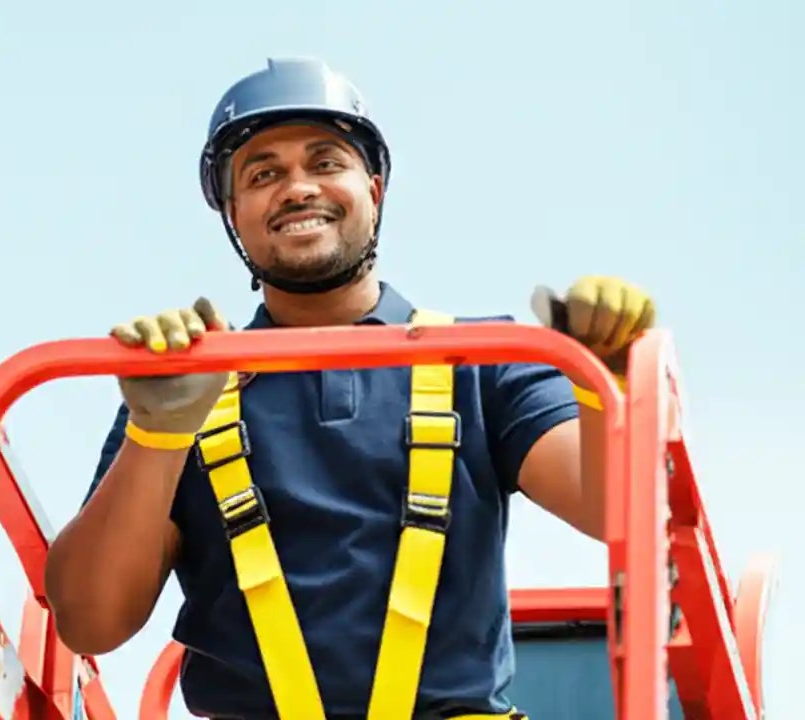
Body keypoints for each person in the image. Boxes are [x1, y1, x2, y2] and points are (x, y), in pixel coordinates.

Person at [44, 57, 655, 720]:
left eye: (325, 161)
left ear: (375, 186)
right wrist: (157, 432)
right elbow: (91, 622)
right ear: (233, 212)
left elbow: (615, 510)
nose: (297, 187)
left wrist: (605, 386)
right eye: (263, 174)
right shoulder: (183, 386)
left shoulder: (483, 360)